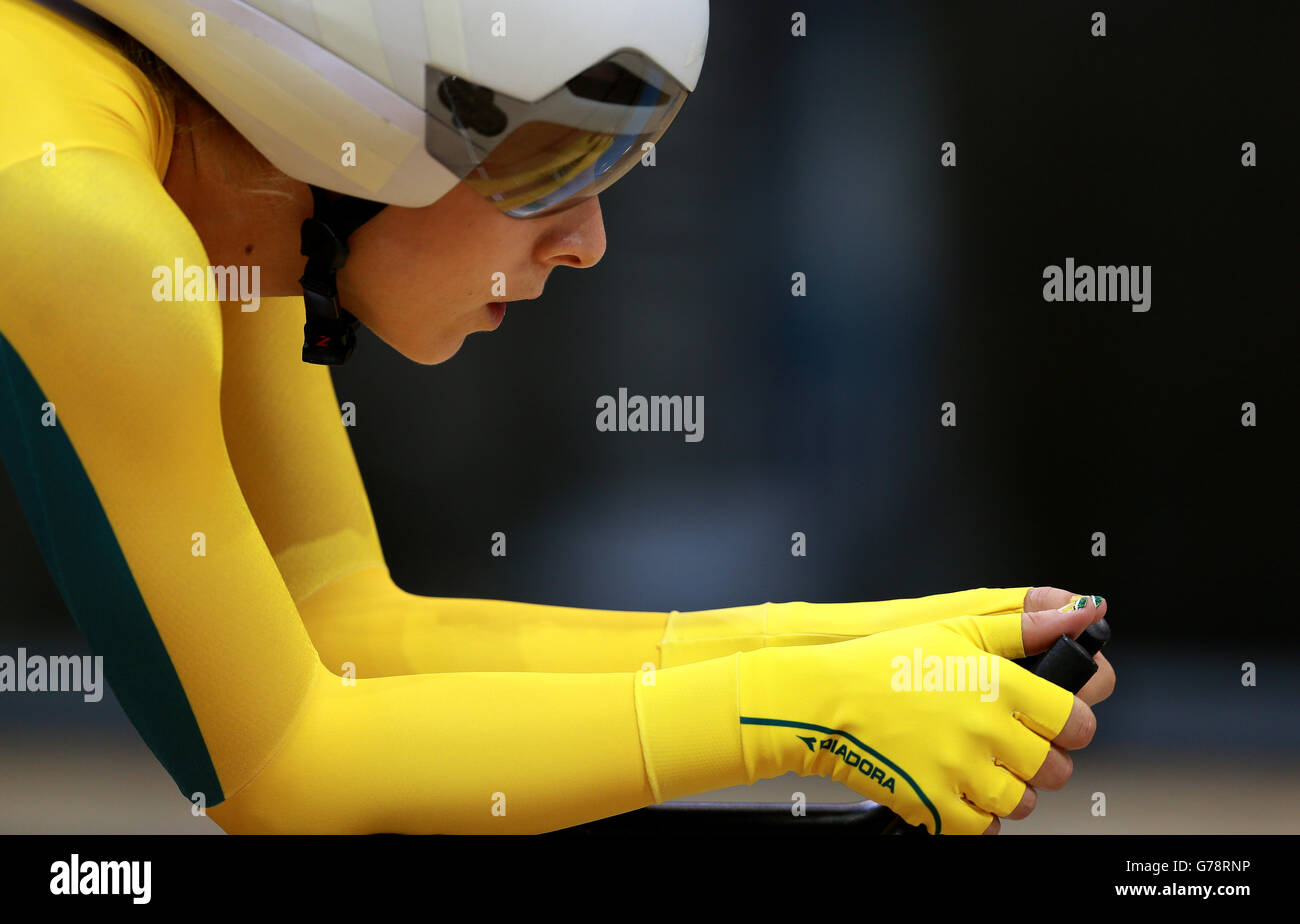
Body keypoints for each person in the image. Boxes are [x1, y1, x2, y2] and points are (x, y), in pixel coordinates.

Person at [0, 0, 1113, 835]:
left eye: (621, 162)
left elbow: (342, 637)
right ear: (339, 103)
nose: (587, 241)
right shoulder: (91, 230)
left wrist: (864, 650)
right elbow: (283, 773)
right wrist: (805, 713)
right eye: (556, 158)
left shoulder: (217, 170)